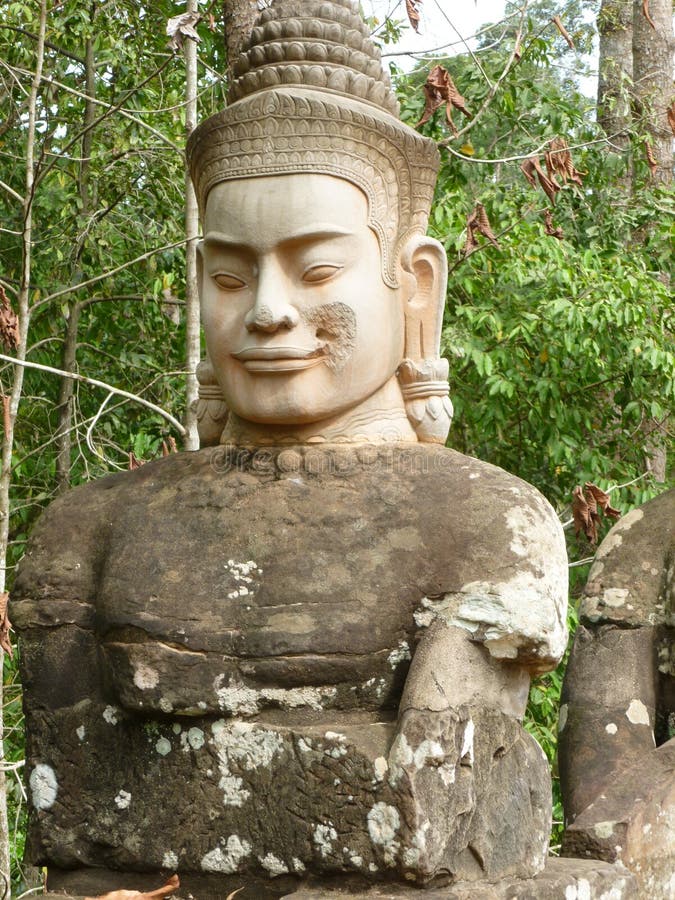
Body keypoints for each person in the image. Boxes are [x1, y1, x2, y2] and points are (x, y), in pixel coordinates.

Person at [13, 2, 567, 895]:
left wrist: (167, 785)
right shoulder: (89, 526)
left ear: (414, 287)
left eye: (316, 271)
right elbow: (70, 803)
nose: (268, 311)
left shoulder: (490, 524)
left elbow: (425, 817)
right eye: (231, 275)